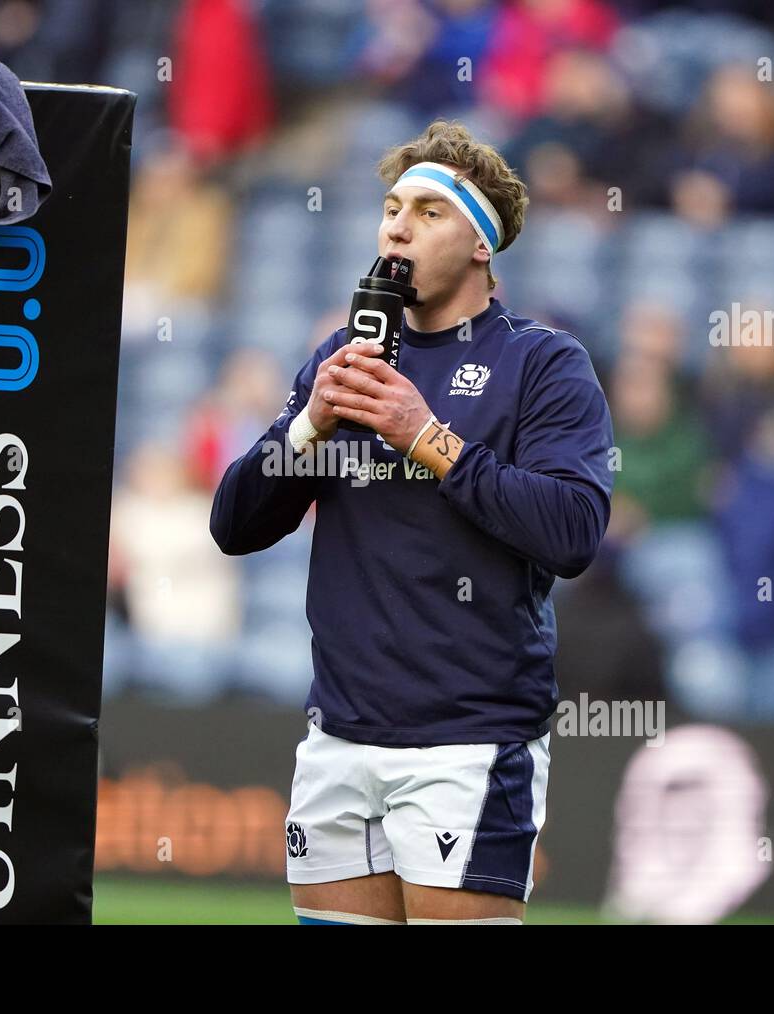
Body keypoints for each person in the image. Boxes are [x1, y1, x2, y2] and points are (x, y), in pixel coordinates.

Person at [210, 120, 614, 925]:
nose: (397, 223)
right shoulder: (349, 357)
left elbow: (574, 532)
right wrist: (307, 427)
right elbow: (235, 525)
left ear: (481, 245)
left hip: (469, 741)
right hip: (339, 735)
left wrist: (425, 438)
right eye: (392, 206)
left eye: (430, 211)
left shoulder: (543, 362)